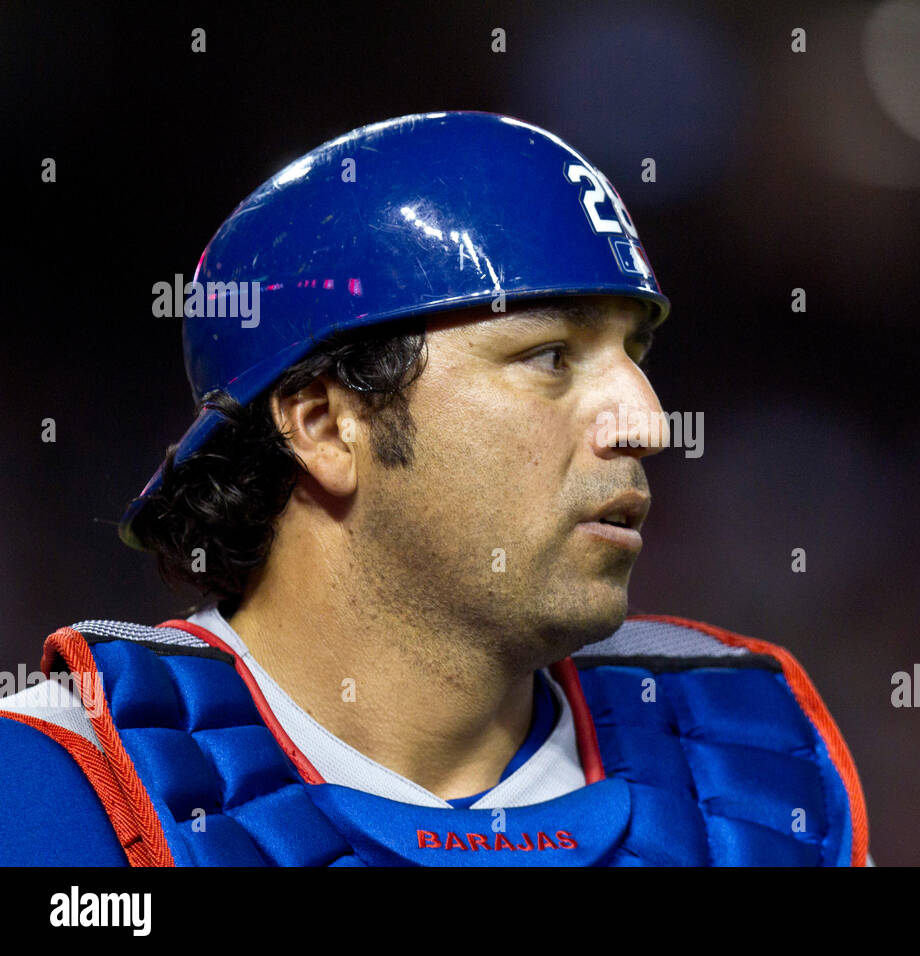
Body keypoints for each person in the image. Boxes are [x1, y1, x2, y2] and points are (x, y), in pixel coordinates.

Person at [0, 112, 869, 866]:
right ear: (323, 423)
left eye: (634, 356)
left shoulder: (762, 775)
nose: (644, 420)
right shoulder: (52, 791)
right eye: (551, 356)